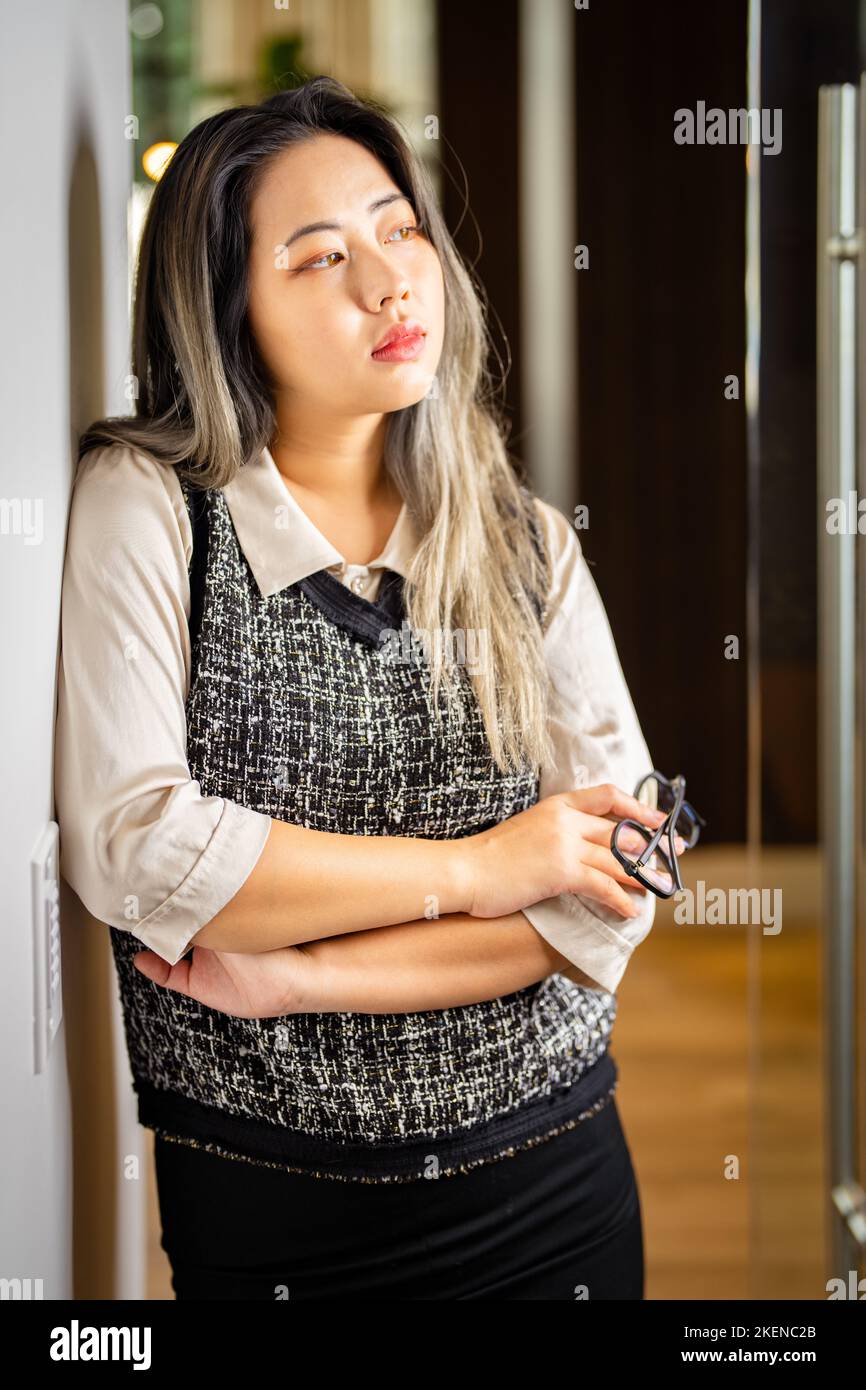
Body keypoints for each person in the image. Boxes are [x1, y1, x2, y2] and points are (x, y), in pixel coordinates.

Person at [55, 75, 681, 1300]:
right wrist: (489, 868)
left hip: (552, 1183)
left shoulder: (522, 542)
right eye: (316, 257)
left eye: (400, 230)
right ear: (225, 311)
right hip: (276, 1214)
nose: (389, 282)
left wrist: (298, 974)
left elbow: (613, 894)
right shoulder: (151, 508)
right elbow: (144, 853)